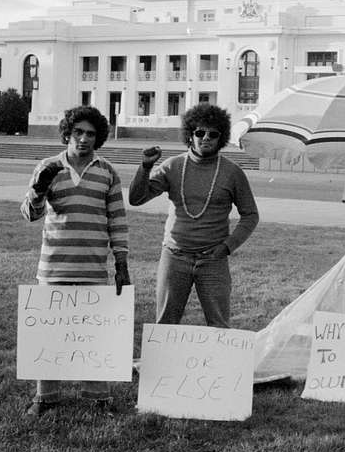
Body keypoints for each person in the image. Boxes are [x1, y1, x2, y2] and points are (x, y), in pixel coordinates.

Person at [19, 105, 131, 418]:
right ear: (67, 133)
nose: (83, 139)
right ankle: (46, 397)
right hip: (54, 267)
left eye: (91, 134)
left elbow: (117, 220)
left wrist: (121, 264)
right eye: (78, 132)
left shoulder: (107, 171)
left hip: (94, 268)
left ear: (99, 138)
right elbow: (30, 215)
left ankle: (98, 397)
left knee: (94, 335)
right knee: (50, 334)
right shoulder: (47, 166)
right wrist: (39, 189)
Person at [129, 103, 259, 328]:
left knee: (219, 326)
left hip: (213, 260)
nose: (205, 138)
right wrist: (145, 167)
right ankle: (163, 364)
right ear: (190, 135)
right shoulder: (172, 166)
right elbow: (136, 199)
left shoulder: (232, 172)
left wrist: (227, 247)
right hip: (175, 256)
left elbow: (250, 215)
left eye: (213, 134)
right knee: (165, 324)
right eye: (200, 132)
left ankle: (219, 364)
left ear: (221, 138)